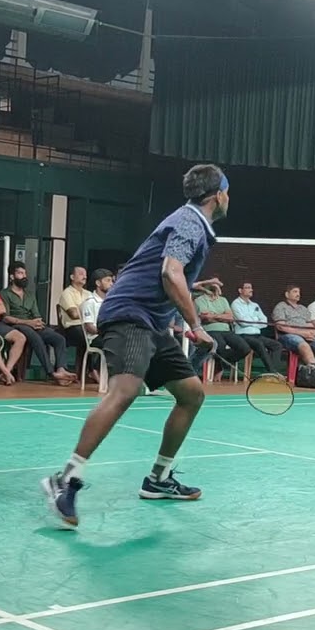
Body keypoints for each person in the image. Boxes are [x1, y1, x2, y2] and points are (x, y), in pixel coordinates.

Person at [41, 164, 229, 528]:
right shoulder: (191, 221)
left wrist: (194, 285)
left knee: (191, 394)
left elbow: (157, 269)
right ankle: (63, 480)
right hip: (130, 314)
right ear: (218, 194)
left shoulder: (189, 222)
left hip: (151, 322)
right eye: (228, 192)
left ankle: (158, 479)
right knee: (125, 390)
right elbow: (169, 272)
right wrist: (195, 324)